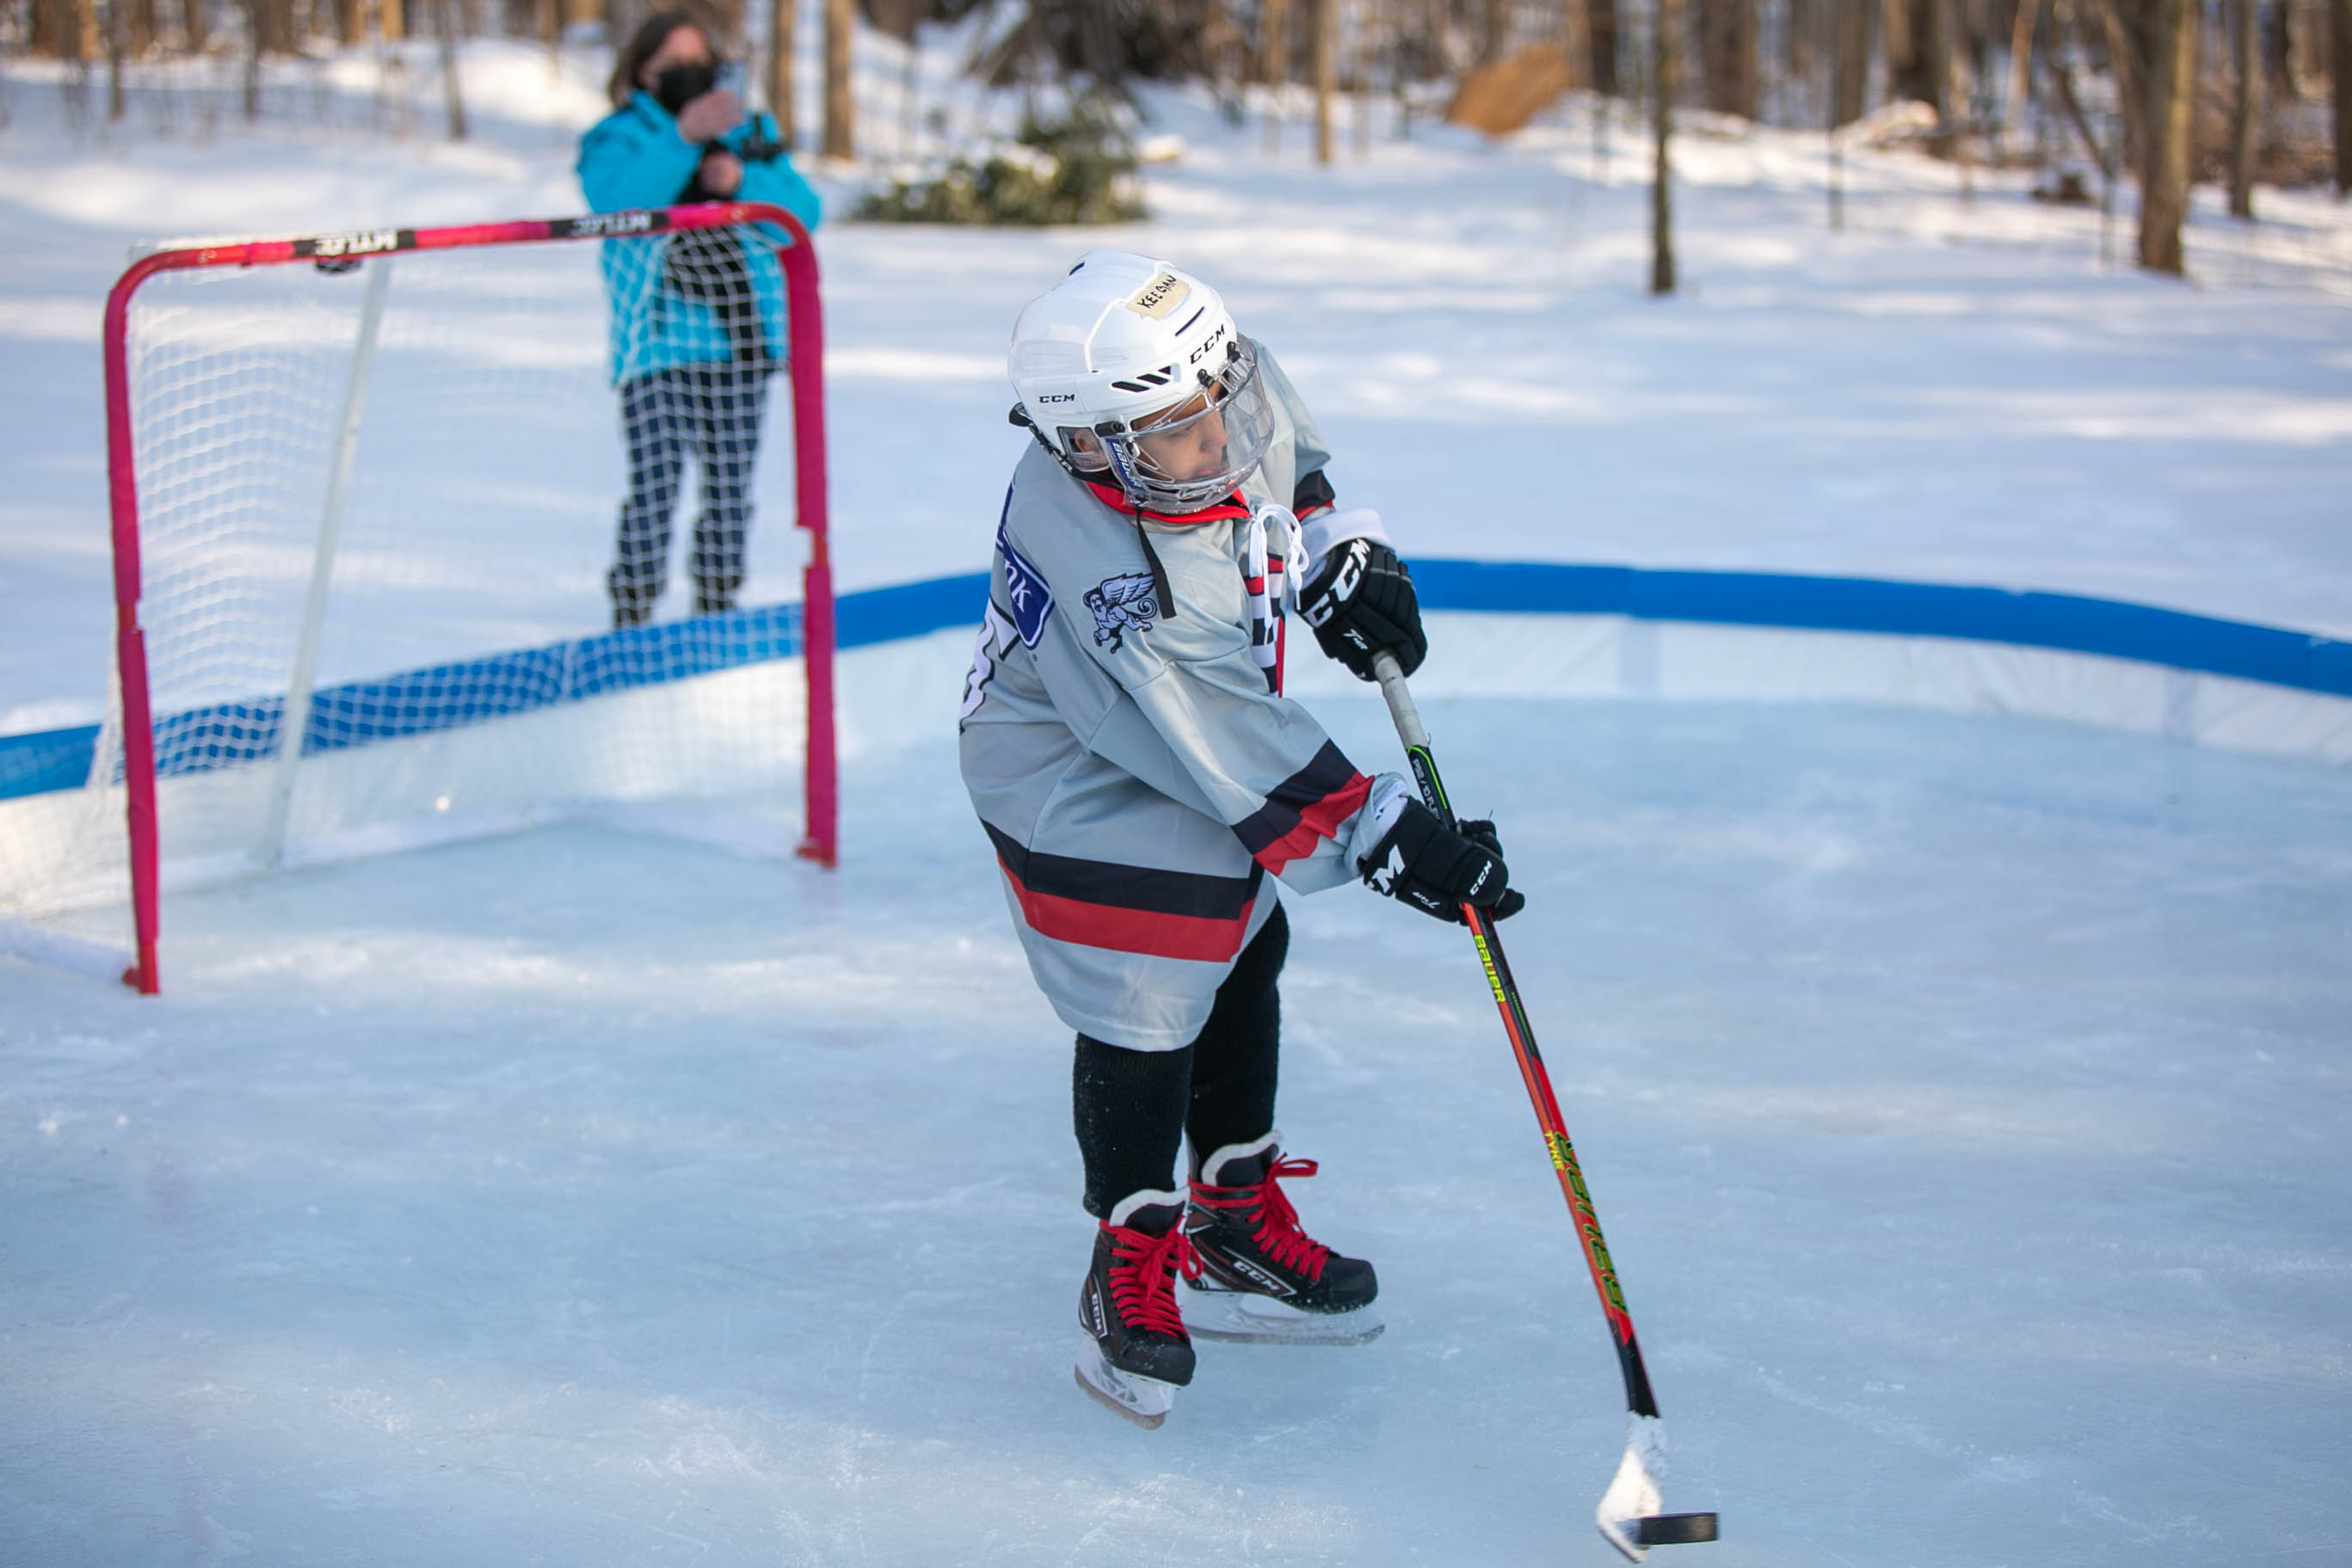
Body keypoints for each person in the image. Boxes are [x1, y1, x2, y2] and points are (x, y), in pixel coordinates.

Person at [957, 250, 1524, 1427]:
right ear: (1087, 447)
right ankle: (1130, 1246)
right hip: (1078, 766)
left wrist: (1337, 552)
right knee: (1147, 993)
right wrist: (1386, 831)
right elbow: (1227, 734)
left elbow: (1284, 451)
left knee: (1244, 944)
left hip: (1186, 729)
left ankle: (1228, 1217)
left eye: (1218, 401)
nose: (1215, 437)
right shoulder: (1115, 582)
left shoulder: (1191, 385)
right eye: (1175, 431)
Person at [577, 6, 822, 628]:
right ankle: (631, 612)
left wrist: (742, 177)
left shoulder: (747, 130)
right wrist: (681, 138)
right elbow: (616, 203)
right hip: (657, 344)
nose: (689, 75)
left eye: (698, 63)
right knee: (655, 487)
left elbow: (802, 215)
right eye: (671, 66)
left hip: (741, 343)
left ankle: (716, 610)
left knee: (730, 491)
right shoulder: (621, 136)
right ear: (640, 74)